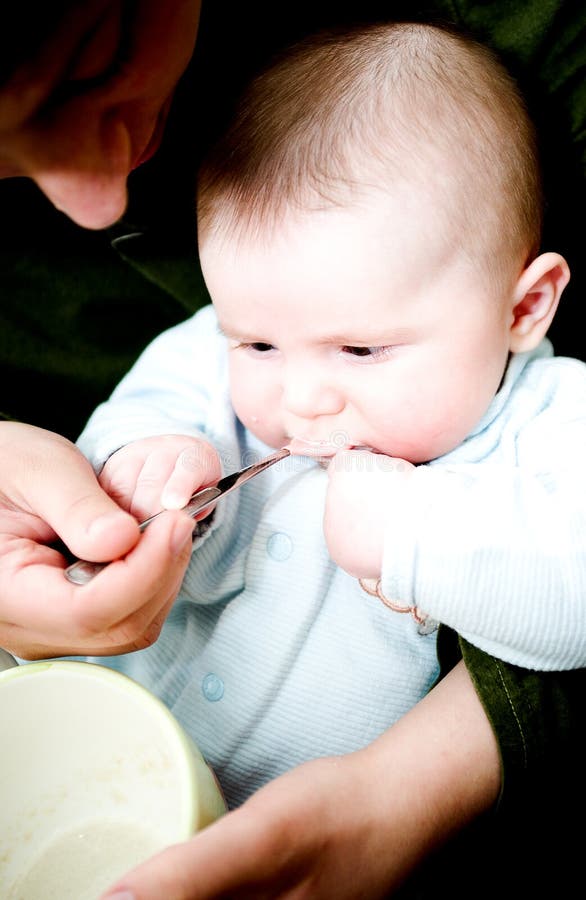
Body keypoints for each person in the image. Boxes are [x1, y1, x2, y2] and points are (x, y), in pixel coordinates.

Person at [0, 3, 584, 898]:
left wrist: (413, 536)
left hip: (280, 842)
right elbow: (145, 402)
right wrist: (139, 456)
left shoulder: (549, 422)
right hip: (80, 752)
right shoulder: (226, 340)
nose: (297, 395)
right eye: (259, 347)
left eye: (360, 351)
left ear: (522, 308)